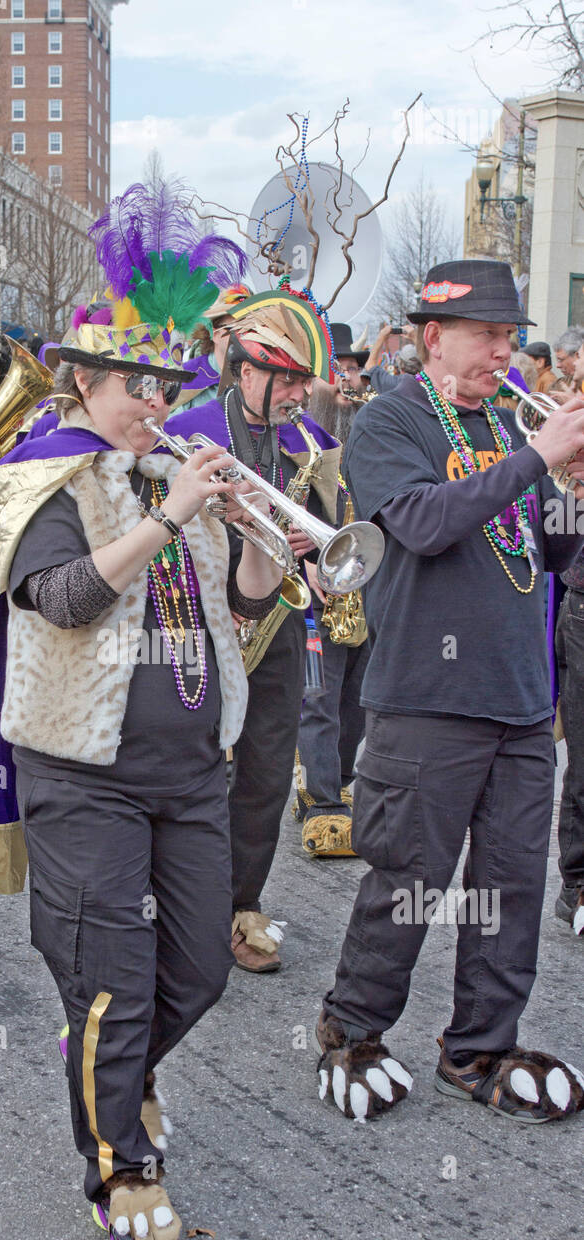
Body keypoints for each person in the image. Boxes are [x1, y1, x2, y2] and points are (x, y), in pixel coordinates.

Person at [0, 183, 273, 1240]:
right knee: (114, 971)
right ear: (82, 382)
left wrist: (260, 542)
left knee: (197, 969)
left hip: (192, 765)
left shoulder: (170, 470)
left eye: (166, 384)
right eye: (134, 386)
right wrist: (166, 518)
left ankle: (107, 1064)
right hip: (84, 769)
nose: (154, 403)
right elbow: (61, 599)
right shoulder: (37, 476)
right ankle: (118, 1164)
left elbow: (237, 609)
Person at [316, 259, 584, 1123]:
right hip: (427, 694)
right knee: (409, 879)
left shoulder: (509, 427)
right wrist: (539, 456)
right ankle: (351, 1031)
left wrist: (571, 494)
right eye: (487, 337)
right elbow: (424, 525)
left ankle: (481, 1049)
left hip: (518, 698)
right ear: (434, 338)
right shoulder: (388, 420)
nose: (504, 354)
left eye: (511, 338)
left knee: (511, 887)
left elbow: (551, 555)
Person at [182, 284, 342, 971]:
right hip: (195, 619)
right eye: (286, 379)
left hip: (275, 618)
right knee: (189, 770)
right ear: (244, 369)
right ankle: (183, 905)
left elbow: (320, 525)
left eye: (303, 381)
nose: (297, 394)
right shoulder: (193, 428)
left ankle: (242, 906)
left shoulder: (306, 442)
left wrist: (306, 551)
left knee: (268, 773)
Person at [294, 364, 371, 857]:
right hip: (317, 592)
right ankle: (322, 803)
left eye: (351, 378)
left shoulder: (371, 437)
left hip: (366, 586)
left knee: (358, 698)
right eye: (332, 376)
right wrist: (302, 561)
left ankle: (340, 781)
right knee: (319, 697)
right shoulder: (298, 447)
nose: (345, 386)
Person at [170, 283, 250, 414]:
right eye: (236, 329)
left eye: (251, 328)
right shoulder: (185, 378)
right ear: (215, 334)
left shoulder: (263, 374)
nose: (246, 336)